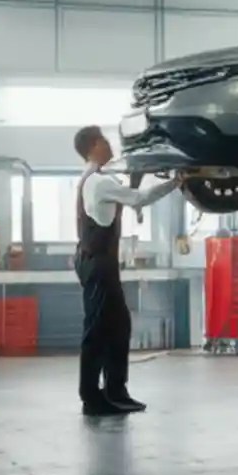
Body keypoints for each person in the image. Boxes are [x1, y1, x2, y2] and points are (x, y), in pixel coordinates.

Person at [72, 125, 180, 416]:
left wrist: (137, 177)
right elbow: (138, 198)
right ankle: (92, 398)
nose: (109, 146)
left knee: (119, 326)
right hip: (97, 263)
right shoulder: (98, 181)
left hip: (97, 260)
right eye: (105, 141)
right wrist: (176, 182)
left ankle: (116, 391)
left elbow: (127, 194)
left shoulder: (96, 180)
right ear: (94, 145)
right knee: (97, 330)